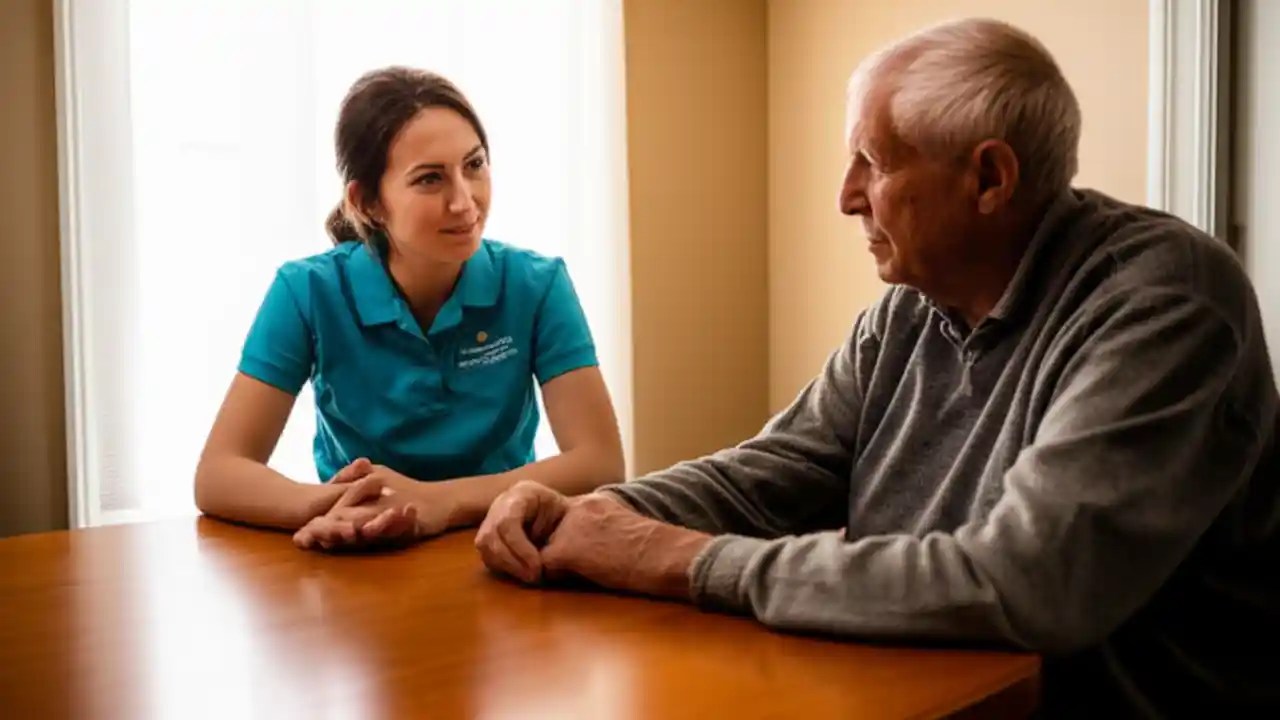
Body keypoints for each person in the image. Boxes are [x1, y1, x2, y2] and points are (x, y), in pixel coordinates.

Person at [475, 18, 1280, 717]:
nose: (846, 197)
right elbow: (776, 472)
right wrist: (590, 514)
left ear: (990, 178)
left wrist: (669, 557)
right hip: (914, 689)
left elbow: (1027, 584)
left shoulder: (1166, 300)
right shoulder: (913, 304)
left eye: (873, 161)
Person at [195, 67, 624, 552]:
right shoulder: (306, 291)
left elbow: (599, 462)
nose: (465, 203)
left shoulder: (538, 284)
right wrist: (335, 507)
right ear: (368, 203)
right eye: (430, 179)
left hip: (501, 543)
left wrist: (442, 503)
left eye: (475, 165)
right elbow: (219, 473)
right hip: (363, 557)